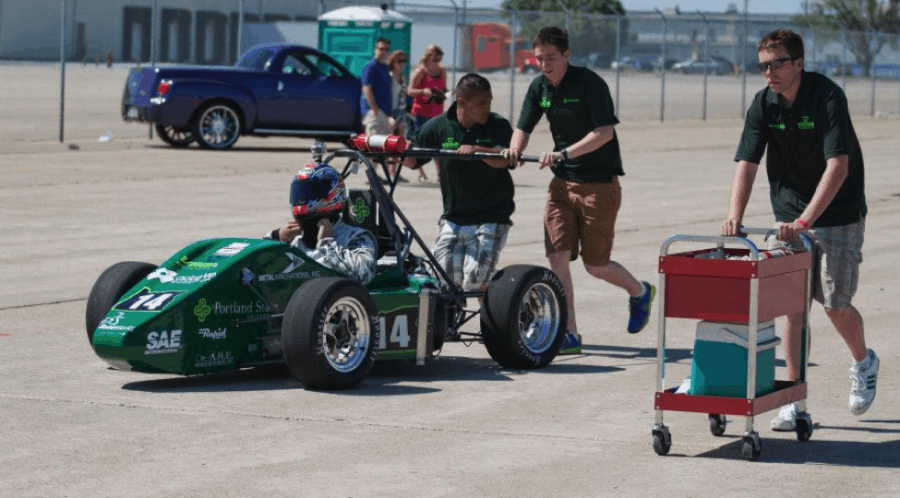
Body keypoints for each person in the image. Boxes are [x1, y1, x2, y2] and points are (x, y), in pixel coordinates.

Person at [724, 29, 878, 428]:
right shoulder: (763, 104)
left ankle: (864, 361)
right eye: (763, 66)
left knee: (835, 305)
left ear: (798, 64)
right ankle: (793, 398)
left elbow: (838, 165)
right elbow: (747, 162)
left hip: (837, 213)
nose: (769, 72)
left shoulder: (826, 97)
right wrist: (734, 216)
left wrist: (806, 221)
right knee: (792, 308)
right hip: (790, 215)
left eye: (776, 64)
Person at [504, 27, 654, 355]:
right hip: (561, 185)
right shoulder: (539, 87)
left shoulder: (589, 83)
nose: (544, 65)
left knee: (595, 265)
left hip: (598, 185)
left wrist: (564, 153)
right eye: (539, 58)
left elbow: (604, 133)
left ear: (567, 56)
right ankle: (568, 333)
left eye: (551, 58)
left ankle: (639, 291)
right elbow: (523, 127)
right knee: (557, 257)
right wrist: (514, 150)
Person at [402, 73, 514, 292]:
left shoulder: (498, 125)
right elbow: (413, 159)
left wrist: (477, 150)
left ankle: (493, 319)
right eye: (482, 103)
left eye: (489, 102)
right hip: (453, 219)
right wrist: (401, 151)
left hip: (490, 218)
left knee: (475, 281)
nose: (487, 108)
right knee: (441, 283)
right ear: (462, 102)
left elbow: (504, 159)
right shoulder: (439, 126)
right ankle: (448, 323)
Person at [265, 163, 377, 285]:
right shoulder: (292, 236)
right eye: (300, 192)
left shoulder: (356, 237)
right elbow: (260, 266)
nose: (301, 199)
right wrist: (276, 238)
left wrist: (327, 244)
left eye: (308, 193)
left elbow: (364, 274)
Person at [408, 44, 448, 179]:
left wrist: (444, 94)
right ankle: (420, 171)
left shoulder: (442, 70)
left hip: (437, 112)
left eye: (438, 58)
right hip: (421, 112)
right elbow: (409, 90)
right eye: (434, 58)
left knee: (438, 143)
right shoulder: (421, 70)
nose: (437, 61)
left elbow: (445, 88)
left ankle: (439, 172)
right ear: (427, 56)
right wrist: (423, 91)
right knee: (421, 144)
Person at [386, 49, 416, 183]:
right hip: (390, 111)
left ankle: (395, 172)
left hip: (401, 111)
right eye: (399, 61)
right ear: (393, 61)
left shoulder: (402, 77)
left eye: (404, 61)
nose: (402, 64)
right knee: (390, 142)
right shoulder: (389, 76)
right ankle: (390, 172)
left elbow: (404, 95)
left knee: (400, 143)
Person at [360, 38, 394, 139]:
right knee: (374, 146)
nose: (384, 52)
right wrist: (375, 110)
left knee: (384, 147)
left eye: (387, 50)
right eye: (381, 49)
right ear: (375, 49)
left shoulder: (384, 67)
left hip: (384, 114)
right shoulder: (371, 66)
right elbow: (366, 89)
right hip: (374, 114)